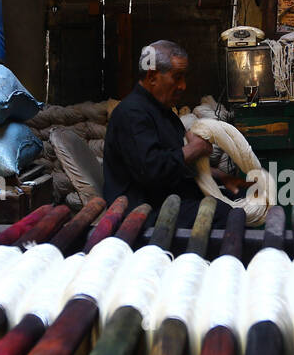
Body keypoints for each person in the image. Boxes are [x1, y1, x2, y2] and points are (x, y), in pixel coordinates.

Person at [103, 40, 242, 228]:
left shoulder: (162, 110)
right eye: (177, 77)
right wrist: (193, 149)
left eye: (184, 77)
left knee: (241, 198)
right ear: (152, 77)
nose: (183, 86)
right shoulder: (132, 113)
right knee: (228, 215)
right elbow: (151, 171)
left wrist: (217, 174)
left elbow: (175, 162)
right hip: (145, 211)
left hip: (169, 198)